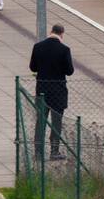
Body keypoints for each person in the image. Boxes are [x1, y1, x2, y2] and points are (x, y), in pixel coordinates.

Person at [29, 24, 75, 161]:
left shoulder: (38, 47)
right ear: (62, 34)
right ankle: (54, 151)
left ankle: (38, 152)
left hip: (42, 89)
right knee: (56, 122)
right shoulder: (64, 49)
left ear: (51, 32)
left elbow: (33, 67)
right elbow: (70, 71)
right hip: (58, 91)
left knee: (40, 122)